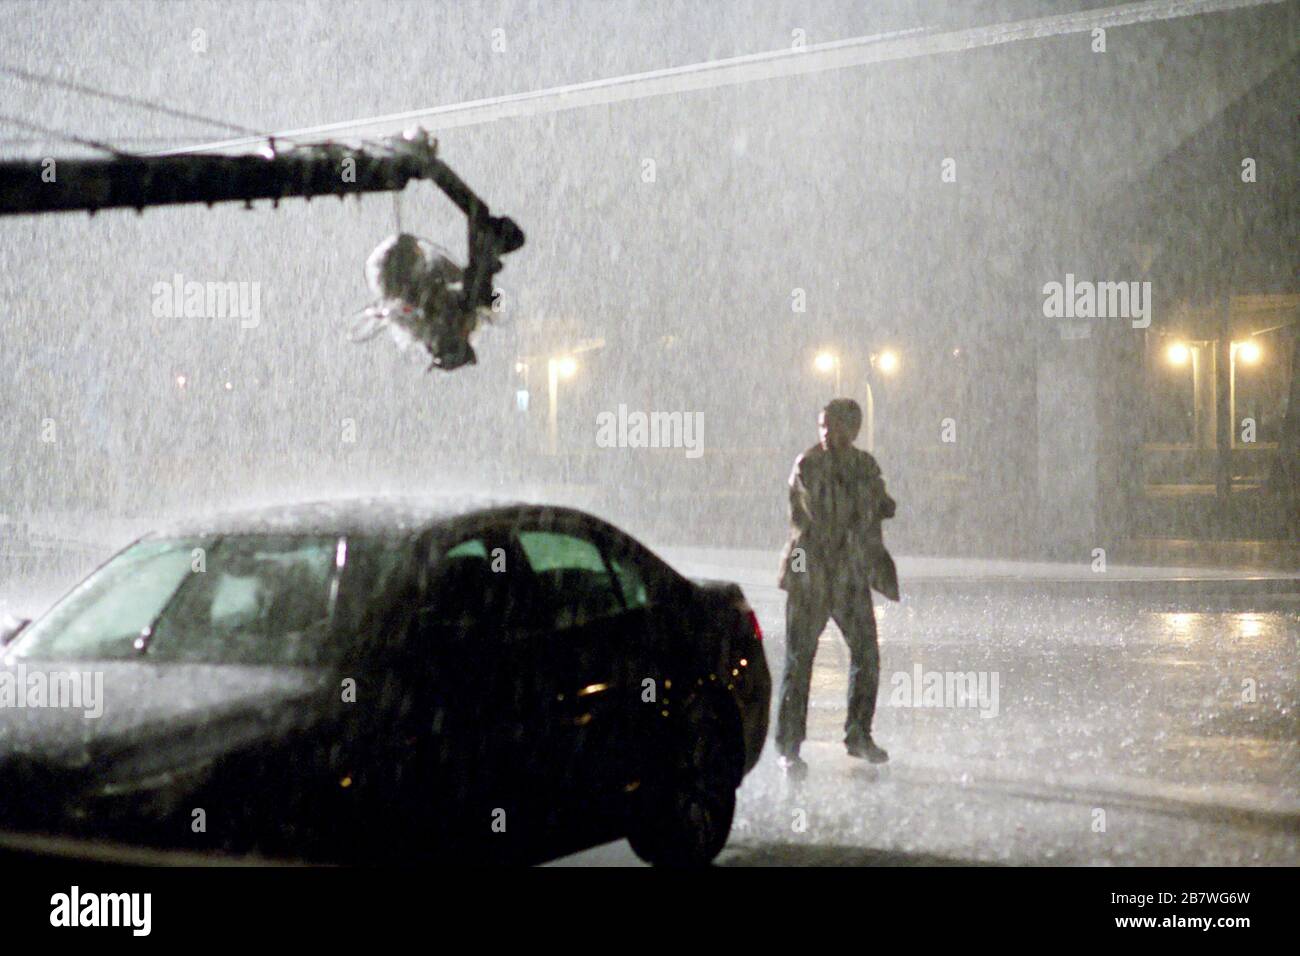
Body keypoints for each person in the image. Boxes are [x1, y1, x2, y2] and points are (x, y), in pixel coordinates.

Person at [776, 398, 898, 771]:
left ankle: (858, 734)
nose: (827, 433)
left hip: (846, 577)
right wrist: (873, 502)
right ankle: (789, 743)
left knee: (866, 656)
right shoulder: (809, 464)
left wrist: (878, 502)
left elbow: (877, 501)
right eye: (823, 426)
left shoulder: (863, 464)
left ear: (854, 429)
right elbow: (827, 513)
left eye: (834, 426)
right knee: (799, 661)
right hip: (810, 575)